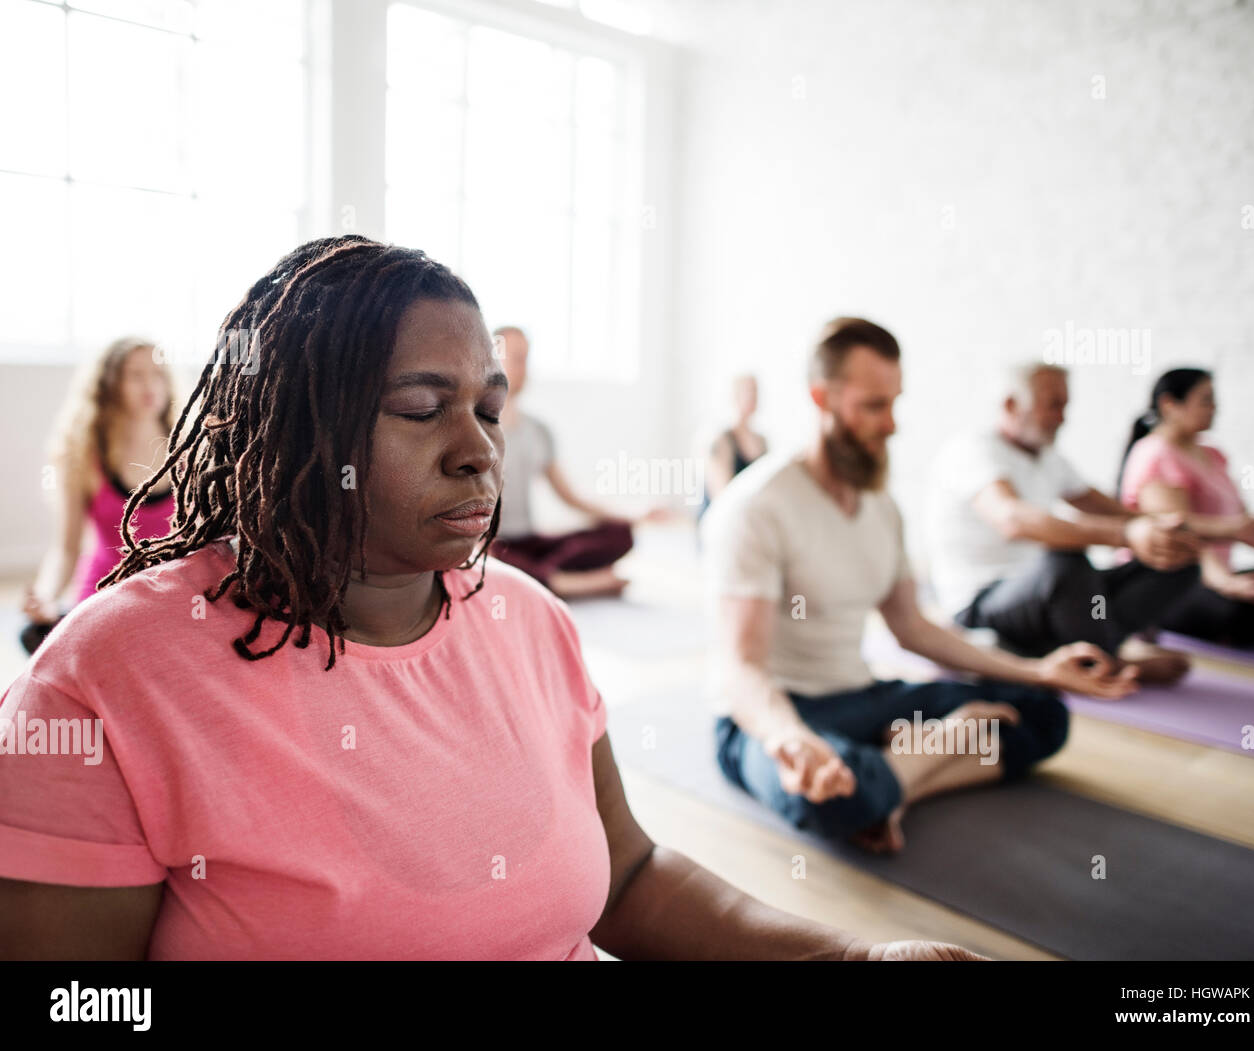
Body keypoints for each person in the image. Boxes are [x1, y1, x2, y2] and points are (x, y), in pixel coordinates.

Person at [0, 238, 982, 962]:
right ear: (291, 425)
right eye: (423, 408)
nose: (478, 447)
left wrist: (854, 958)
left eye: (488, 407)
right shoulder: (106, 678)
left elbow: (630, 880)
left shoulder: (526, 616)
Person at [702, 318, 1136, 855]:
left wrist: (1038, 669)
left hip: (862, 699)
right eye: (873, 406)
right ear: (823, 399)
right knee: (829, 798)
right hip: (768, 717)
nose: (891, 425)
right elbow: (742, 666)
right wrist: (789, 738)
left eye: (894, 403)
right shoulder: (756, 507)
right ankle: (929, 753)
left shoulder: (882, 509)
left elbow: (910, 626)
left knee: (1044, 713)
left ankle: (897, 784)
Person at [925, 363, 1204, 683]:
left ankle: (1081, 653)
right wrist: (1127, 535)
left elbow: (1116, 513)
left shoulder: (1048, 458)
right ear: (1011, 405)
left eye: (1065, 406)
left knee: (1180, 559)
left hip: (1052, 602)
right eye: (1053, 405)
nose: (1062, 417)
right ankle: (1112, 663)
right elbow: (1012, 520)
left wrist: (1218, 530)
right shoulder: (972, 449)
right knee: (1064, 560)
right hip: (982, 604)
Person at [1118, 368, 1254, 647]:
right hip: (1170, 585)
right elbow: (1182, 535)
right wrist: (1225, 582)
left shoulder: (1213, 454)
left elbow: (1242, 524)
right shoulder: (1154, 454)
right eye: (1206, 400)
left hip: (1218, 576)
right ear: (1169, 404)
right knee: (1243, 613)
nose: (1215, 408)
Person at [20, 337, 176, 655]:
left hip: (170, 595)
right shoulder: (80, 455)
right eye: (135, 375)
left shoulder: (191, 447)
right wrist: (46, 596)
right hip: (103, 598)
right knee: (37, 636)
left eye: (157, 374)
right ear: (109, 385)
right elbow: (66, 549)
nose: (149, 384)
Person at [488, 325, 666, 599]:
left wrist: (634, 516)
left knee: (620, 533)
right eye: (517, 358)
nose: (524, 368)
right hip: (492, 543)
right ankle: (566, 583)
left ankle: (544, 578)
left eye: (527, 358)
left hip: (531, 541)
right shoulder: (475, 428)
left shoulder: (539, 430)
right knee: (482, 560)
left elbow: (569, 496)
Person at [700, 373, 768, 520]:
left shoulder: (762, 441)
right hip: (722, 525)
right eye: (748, 391)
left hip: (749, 520)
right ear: (735, 395)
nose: (754, 396)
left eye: (756, 391)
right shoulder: (721, 441)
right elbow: (721, 498)